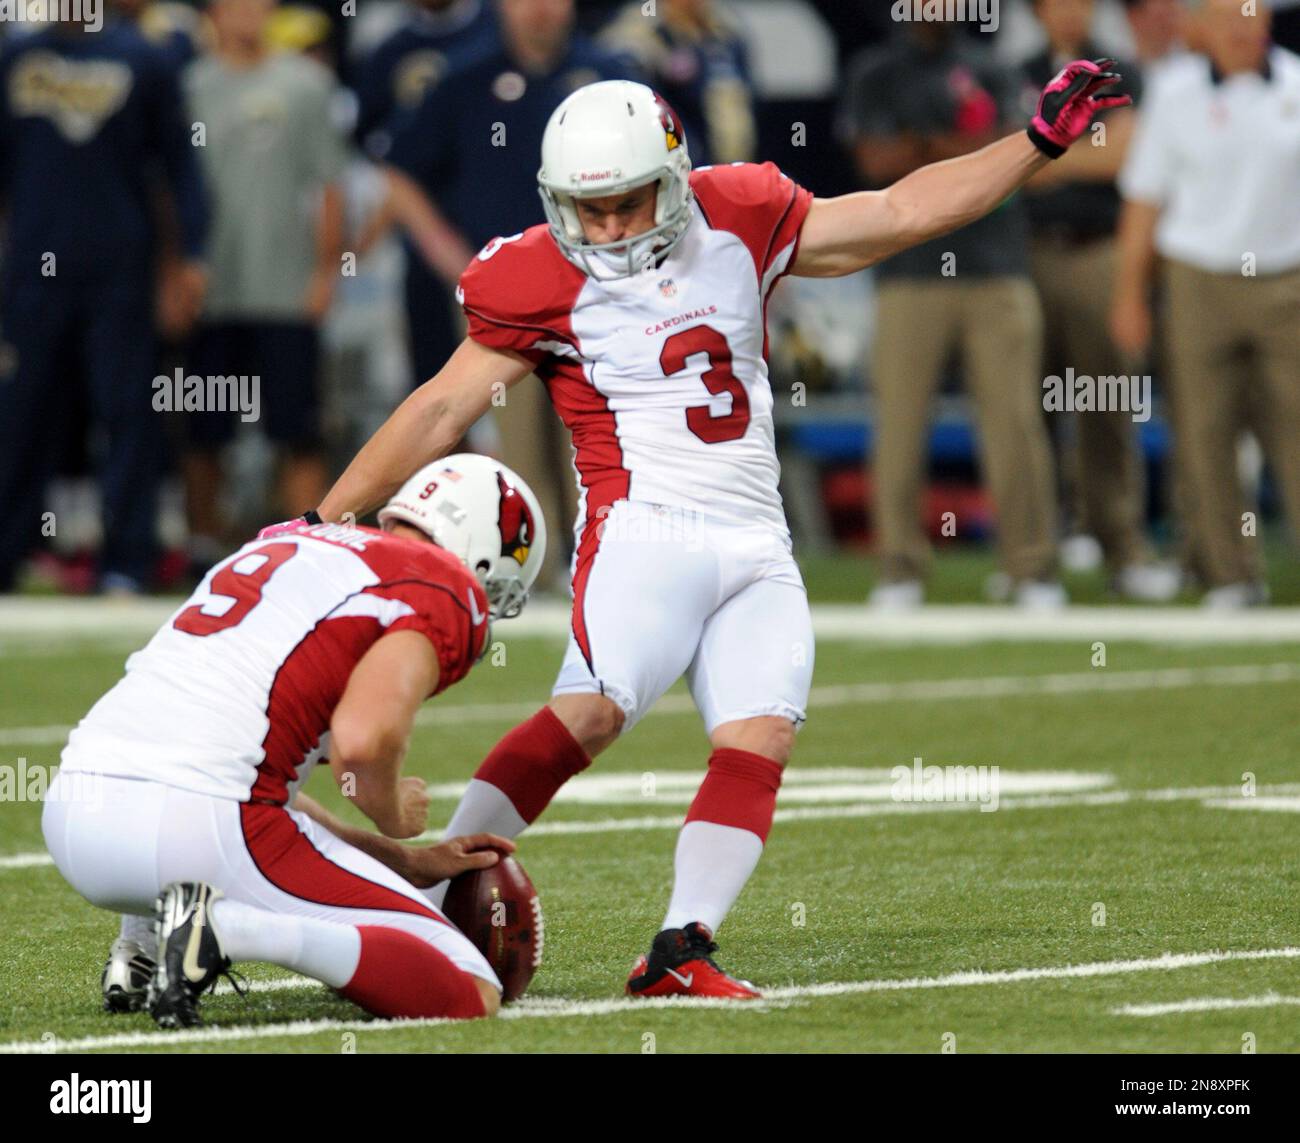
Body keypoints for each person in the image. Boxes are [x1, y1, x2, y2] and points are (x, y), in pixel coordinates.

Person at [280, 69, 1129, 998]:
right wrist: (329, 518)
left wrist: (1033, 143)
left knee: (759, 736)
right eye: (584, 208)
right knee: (592, 710)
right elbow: (443, 405)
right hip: (645, 529)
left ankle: (680, 948)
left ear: (674, 173)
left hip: (758, 537)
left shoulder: (743, 211)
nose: (604, 228)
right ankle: (415, 895)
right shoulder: (537, 274)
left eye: (624, 202)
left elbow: (899, 211)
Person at [46, 454, 546, 1028]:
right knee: (467, 987)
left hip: (77, 816)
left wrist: (403, 861)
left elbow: (246, 773)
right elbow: (361, 744)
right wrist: (392, 812)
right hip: (201, 829)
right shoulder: (441, 584)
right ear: (480, 554)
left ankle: (140, 947)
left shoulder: (282, 544)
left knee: (235, 787)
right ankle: (229, 929)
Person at [380, 0, 639, 590]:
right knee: (514, 439)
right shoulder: (462, 77)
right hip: (504, 295)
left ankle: (607, 562)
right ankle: (537, 571)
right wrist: (447, 253)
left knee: (599, 429)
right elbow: (397, 167)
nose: (540, 10)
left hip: (600, 287)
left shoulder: (611, 75)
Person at [841, 17, 1065, 611]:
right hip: (909, 272)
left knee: (1014, 421)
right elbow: (874, 160)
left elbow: (1019, 159)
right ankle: (898, 568)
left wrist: (925, 149)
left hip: (997, 269)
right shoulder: (876, 72)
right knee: (898, 424)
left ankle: (1030, 567)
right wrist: (972, 152)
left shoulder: (995, 67)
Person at [0, 4, 208, 594]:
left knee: (127, 414)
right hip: (32, 272)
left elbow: (177, 169)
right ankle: (8, 550)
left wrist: (185, 261)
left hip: (121, 268)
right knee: (20, 413)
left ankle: (128, 558)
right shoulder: (16, 57)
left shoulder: (143, 58)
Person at [1112, 0, 1300, 607]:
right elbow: (1145, 197)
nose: (1242, 29)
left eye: (1251, 16)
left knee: (1294, 430)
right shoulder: (1173, 91)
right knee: (1203, 432)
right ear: (1202, 30)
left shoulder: (1297, 82)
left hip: (1286, 280)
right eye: (1228, 18)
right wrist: (1129, 295)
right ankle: (1232, 575)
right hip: (1197, 281)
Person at [180, 0, 348, 575]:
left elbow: (330, 185)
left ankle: (305, 549)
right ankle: (202, 546)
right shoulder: (188, 85)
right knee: (203, 427)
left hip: (285, 290)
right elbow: (169, 185)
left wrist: (325, 273)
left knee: (297, 427)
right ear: (214, 12)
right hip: (212, 291)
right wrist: (176, 270)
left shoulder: (306, 85)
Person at [1022, 0, 1178, 601]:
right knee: (1025, 411)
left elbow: (1124, 157)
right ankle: (1034, 560)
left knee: (1107, 404)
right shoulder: (1020, 71)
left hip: (1098, 254)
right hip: (1029, 254)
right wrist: (1075, 156)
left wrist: (1045, 156)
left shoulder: (1120, 72)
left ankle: (1124, 547)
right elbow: (1003, 159)